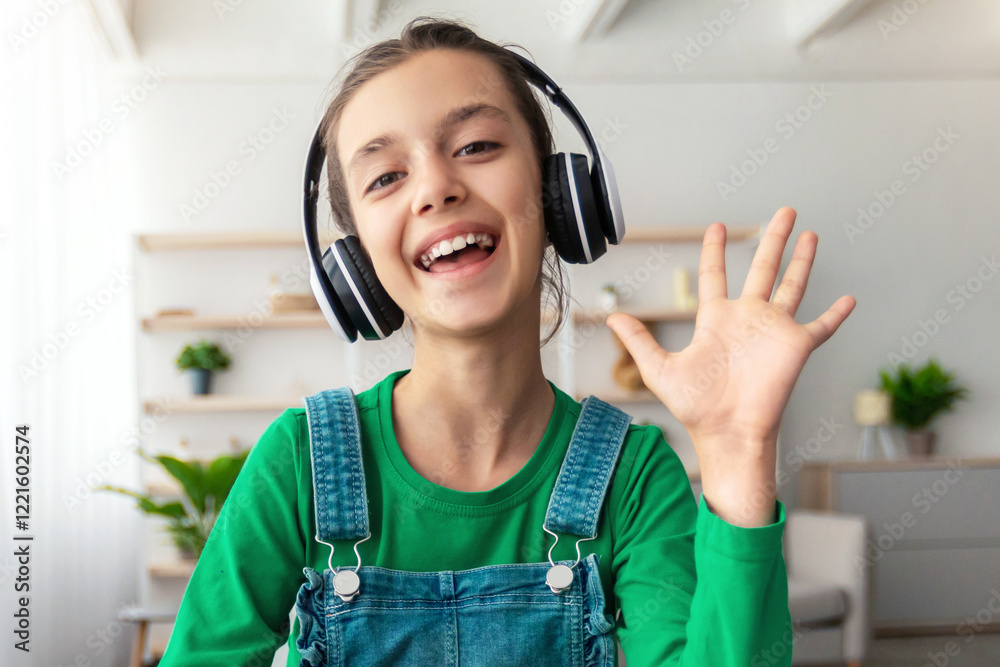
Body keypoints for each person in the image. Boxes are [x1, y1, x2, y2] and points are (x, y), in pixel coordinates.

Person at [158, 15, 855, 667]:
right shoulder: (300, 462)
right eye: (386, 176)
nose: (435, 187)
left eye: (477, 146)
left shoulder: (634, 475)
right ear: (357, 263)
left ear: (558, 195)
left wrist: (739, 462)